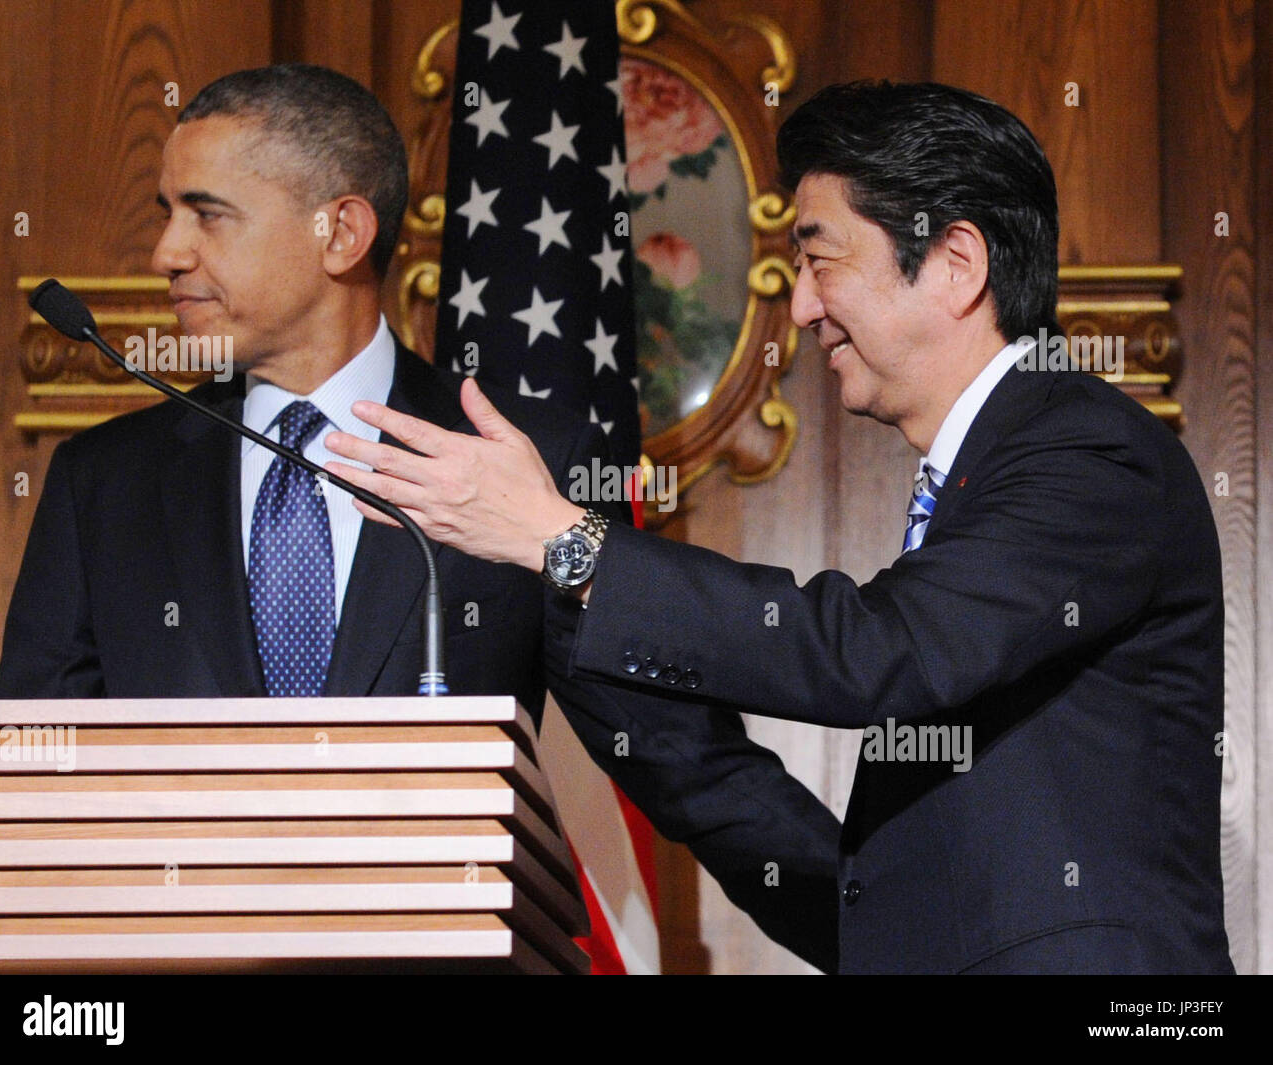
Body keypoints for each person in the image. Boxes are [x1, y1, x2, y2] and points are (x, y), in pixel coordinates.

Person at [324, 80, 1235, 974]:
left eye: (821, 259)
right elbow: (889, 875)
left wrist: (567, 538)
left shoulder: (1086, 450)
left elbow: (879, 652)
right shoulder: (987, 472)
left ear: (957, 264)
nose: (799, 307)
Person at [0, 64, 843, 973]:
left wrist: (915, 940)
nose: (166, 250)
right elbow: (28, 793)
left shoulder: (515, 468)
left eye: (207, 214)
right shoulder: (104, 484)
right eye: (168, 212)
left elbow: (691, 767)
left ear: (342, 232)